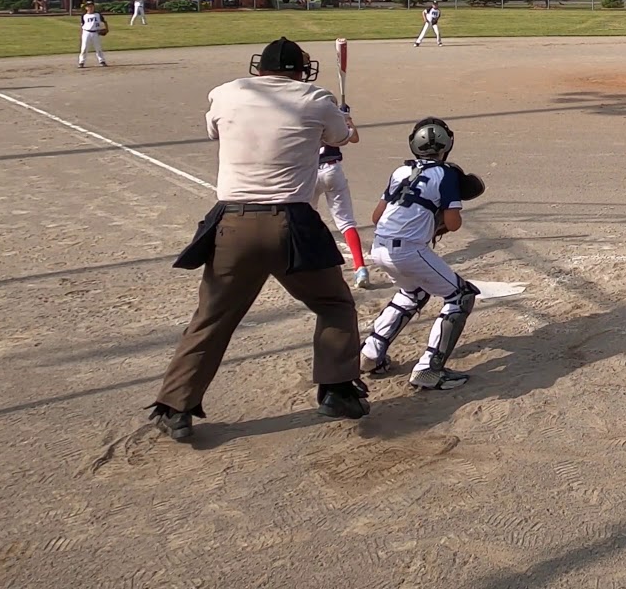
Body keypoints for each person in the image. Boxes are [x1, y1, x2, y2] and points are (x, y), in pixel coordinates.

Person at [149, 36, 371, 441]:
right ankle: (337, 391)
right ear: (300, 71)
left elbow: (217, 132)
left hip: (231, 225)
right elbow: (340, 138)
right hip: (295, 226)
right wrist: (342, 117)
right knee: (334, 304)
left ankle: (175, 407)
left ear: (259, 67)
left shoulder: (227, 93)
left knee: (212, 318)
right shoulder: (316, 98)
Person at [358, 117, 486, 390]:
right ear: (447, 145)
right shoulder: (447, 174)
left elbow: (377, 216)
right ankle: (429, 369)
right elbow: (453, 223)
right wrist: (436, 222)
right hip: (408, 250)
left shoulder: (399, 172)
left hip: (379, 247)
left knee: (412, 293)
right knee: (460, 296)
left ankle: (370, 353)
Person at [313, 104, 372, 289]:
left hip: (310, 173)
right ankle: (360, 268)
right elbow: (353, 138)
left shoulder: (307, 120)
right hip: (333, 171)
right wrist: (346, 119)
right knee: (346, 223)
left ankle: (309, 266)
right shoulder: (334, 122)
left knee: (302, 218)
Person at [78, 0, 108, 68]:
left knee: (98, 48)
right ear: (86, 8)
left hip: (96, 33)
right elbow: (82, 25)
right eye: (88, 6)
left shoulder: (98, 15)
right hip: (86, 32)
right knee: (84, 48)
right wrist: (82, 34)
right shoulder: (84, 16)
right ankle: (81, 62)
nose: (90, 8)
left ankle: (102, 61)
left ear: (94, 7)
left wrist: (106, 28)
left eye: (91, 6)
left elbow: (104, 22)